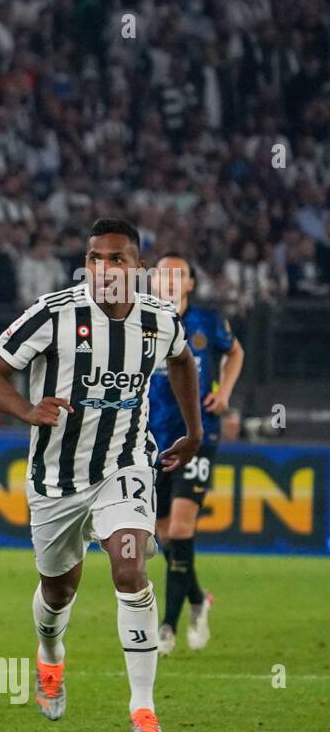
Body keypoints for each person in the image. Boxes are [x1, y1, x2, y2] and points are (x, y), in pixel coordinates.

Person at [0, 218, 202, 732]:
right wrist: (28, 410)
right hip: (55, 480)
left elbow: (182, 362)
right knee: (59, 591)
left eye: (117, 258)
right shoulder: (53, 314)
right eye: (95, 257)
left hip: (125, 466)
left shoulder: (159, 319)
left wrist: (194, 433)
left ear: (138, 268)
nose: (104, 268)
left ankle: (143, 708)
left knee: (130, 569)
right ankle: (50, 655)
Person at [148, 255, 244, 655]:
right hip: (153, 440)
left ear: (190, 284)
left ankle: (167, 627)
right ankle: (198, 599)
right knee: (163, 533)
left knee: (181, 527)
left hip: (199, 435)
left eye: (179, 275)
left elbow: (235, 352)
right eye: (162, 275)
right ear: (152, 282)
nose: (170, 281)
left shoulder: (207, 322)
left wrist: (224, 394)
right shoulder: (139, 322)